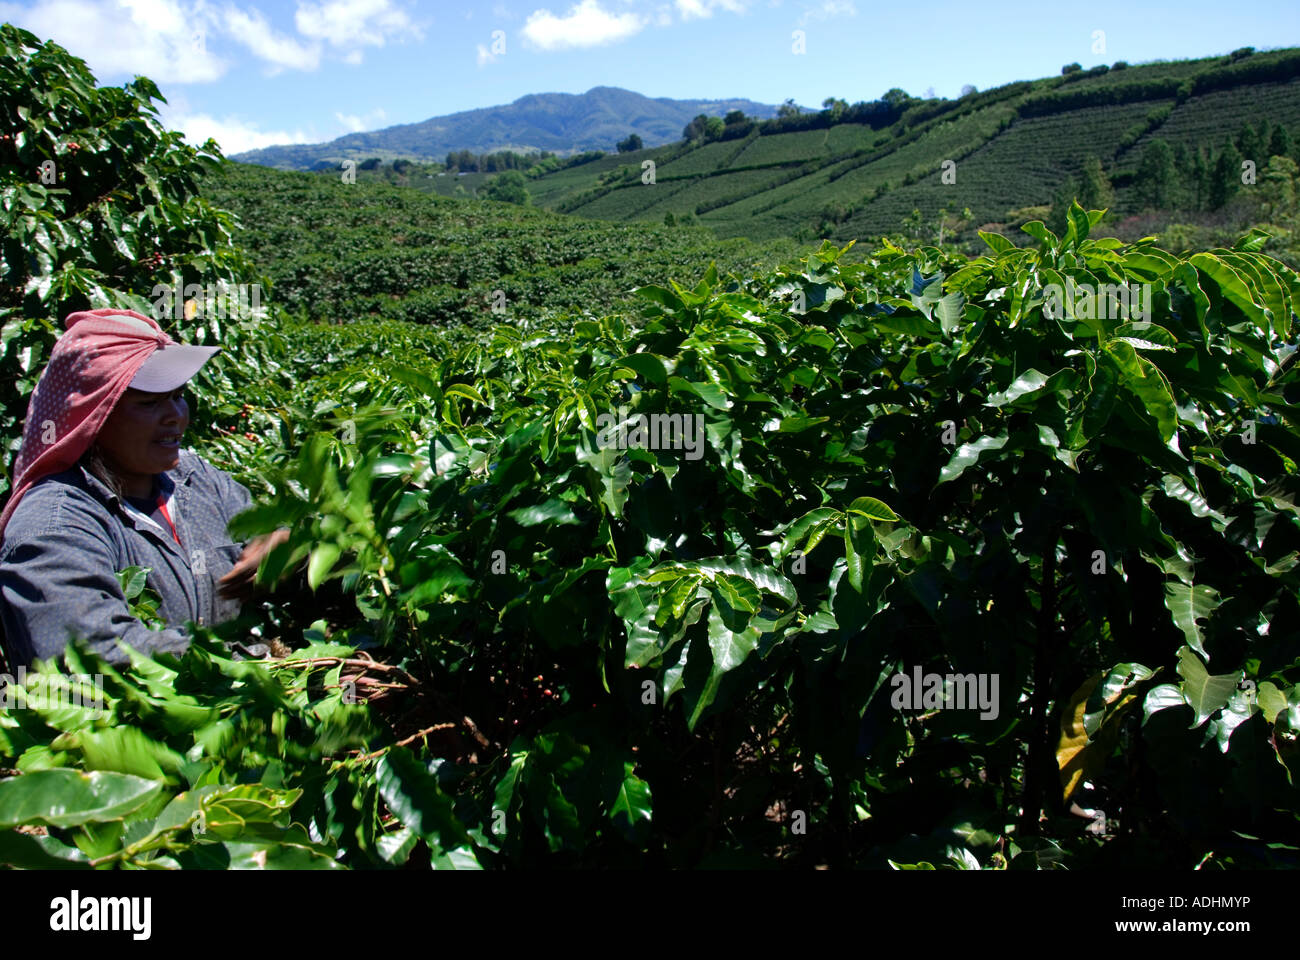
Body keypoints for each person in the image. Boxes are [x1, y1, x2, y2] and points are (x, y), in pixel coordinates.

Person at [0, 308, 289, 669]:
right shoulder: (53, 524)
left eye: (178, 395)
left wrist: (293, 546)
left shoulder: (198, 480)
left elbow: (268, 536)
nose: (176, 415)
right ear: (94, 418)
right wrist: (247, 666)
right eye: (149, 402)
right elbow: (93, 656)